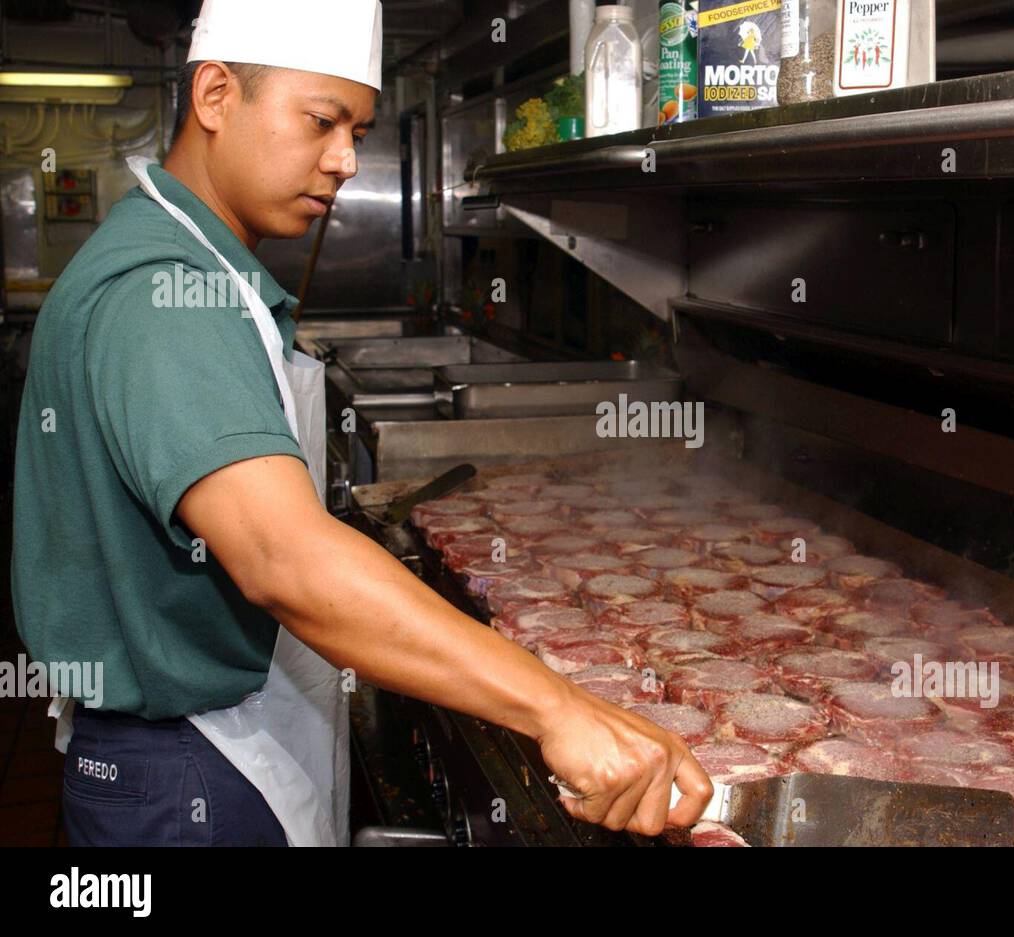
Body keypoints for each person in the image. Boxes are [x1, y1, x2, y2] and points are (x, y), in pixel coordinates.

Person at [10, 0, 710, 846]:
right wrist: (556, 706)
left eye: (359, 129)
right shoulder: (161, 292)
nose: (344, 160)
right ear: (216, 94)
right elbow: (283, 558)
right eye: (321, 121)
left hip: (200, 750)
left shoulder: (197, 262)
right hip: (186, 777)